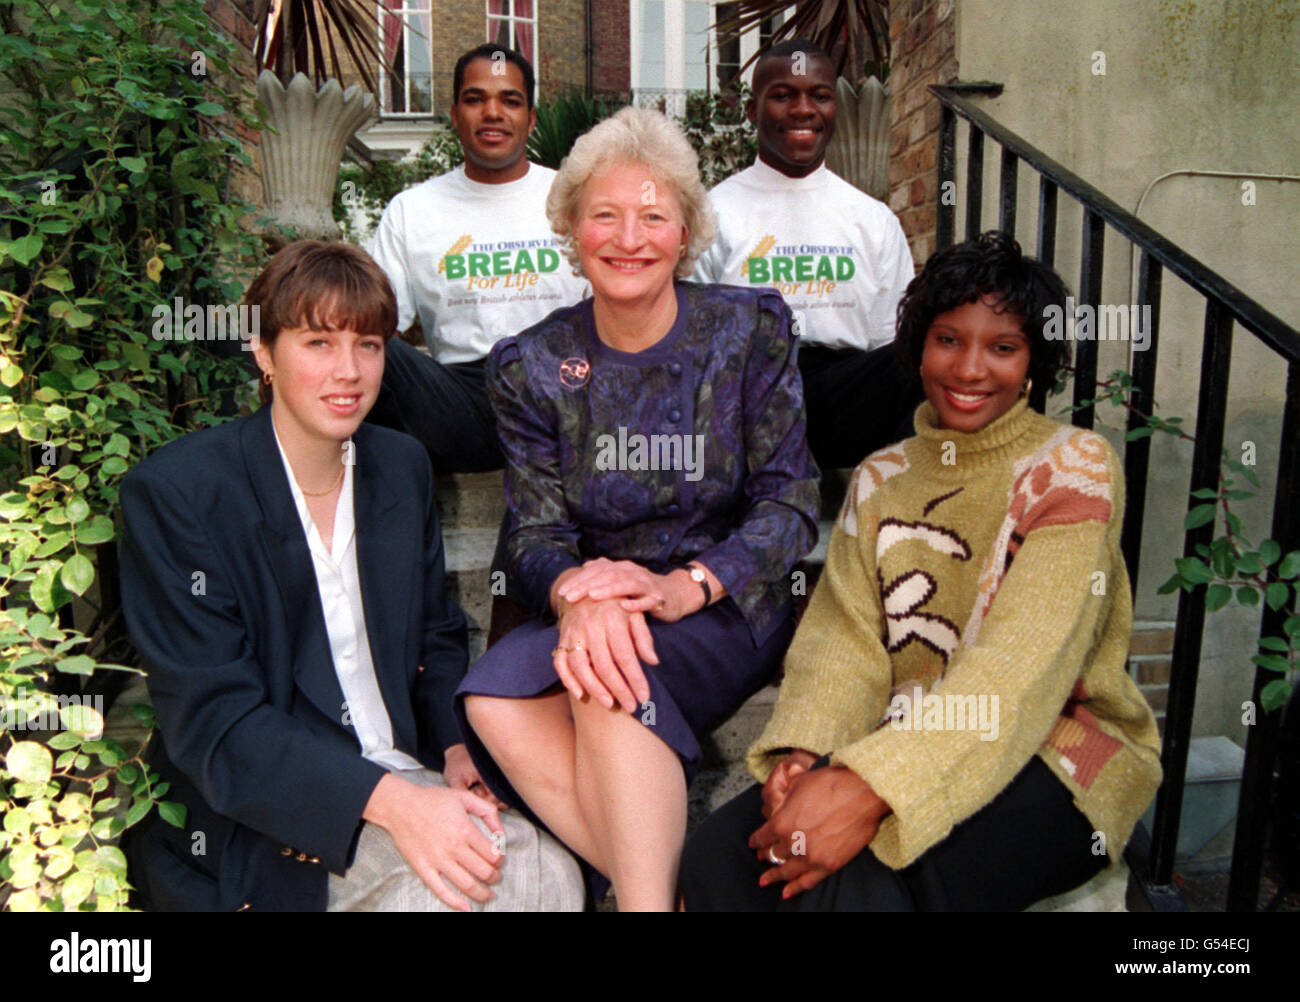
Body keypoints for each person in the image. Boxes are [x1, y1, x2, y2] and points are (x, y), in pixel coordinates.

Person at [680, 231, 1163, 911]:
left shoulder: (1074, 467)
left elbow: (1021, 669)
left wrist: (870, 786)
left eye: (1003, 347)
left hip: (1059, 751)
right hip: (899, 736)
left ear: (1034, 362)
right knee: (720, 860)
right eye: (948, 340)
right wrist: (806, 753)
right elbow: (842, 643)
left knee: (861, 884)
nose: (970, 368)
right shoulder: (880, 477)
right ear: (917, 348)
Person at [118, 241, 582, 912]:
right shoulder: (179, 494)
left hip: (404, 768)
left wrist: (456, 747)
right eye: (318, 343)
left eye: (368, 345)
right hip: (272, 811)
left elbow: (436, 637)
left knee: (553, 876)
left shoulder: (400, 466)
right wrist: (394, 803)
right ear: (263, 351)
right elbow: (216, 722)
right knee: (455, 900)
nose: (349, 371)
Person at [454, 107, 822, 911]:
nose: (630, 238)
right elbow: (536, 531)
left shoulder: (747, 331)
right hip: (598, 600)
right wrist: (577, 595)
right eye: (606, 215)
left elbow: (791, 502)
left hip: (723, 603)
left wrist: (688, 585)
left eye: (654, 216)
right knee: (492, 698)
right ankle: (670, 894)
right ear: (571, 228)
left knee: (602, 680)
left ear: (685, 232)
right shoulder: (532, 366)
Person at [694, 39, 921, 470]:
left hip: (842, 396)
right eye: (783, 96)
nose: (804, 110)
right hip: (747, 401)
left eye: (819, 96)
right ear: (752, 111)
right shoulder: (711, 213)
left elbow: (890, 341)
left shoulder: (872, 218)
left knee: (926, 357)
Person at [366, 43, 588, 474]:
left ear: (531, 118)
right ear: (455, 115)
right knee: (358, 340)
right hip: (460, 403)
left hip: (563, 389)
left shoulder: (576, 198)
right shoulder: (412, 210)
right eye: (475, 99)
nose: (492, 112)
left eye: (510, 100)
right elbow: (374, 323)